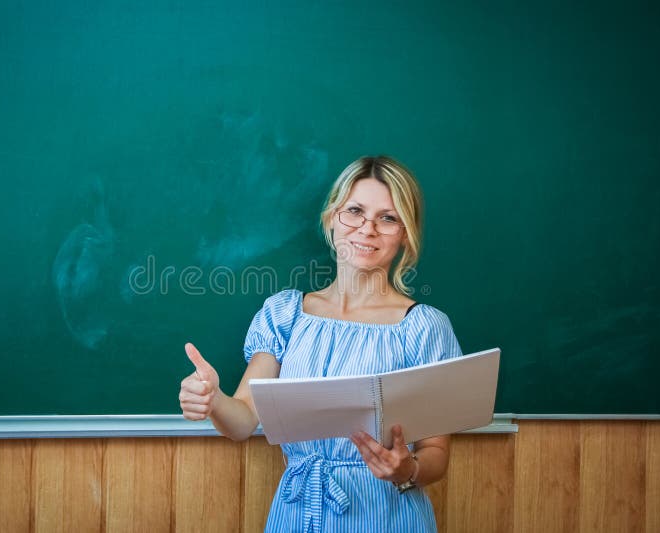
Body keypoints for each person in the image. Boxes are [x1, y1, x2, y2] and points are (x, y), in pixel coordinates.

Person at [179, 155, 462, 533]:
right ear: (332, 219)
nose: (368, 228)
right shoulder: (285, 315)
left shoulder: (424, 328)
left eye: (388, 218)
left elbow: (436, 454)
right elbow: (243, 420)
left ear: (405, 234)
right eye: (355, 211)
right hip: (298, 511)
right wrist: (213, 401)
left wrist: (406, 470)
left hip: (387, 516)